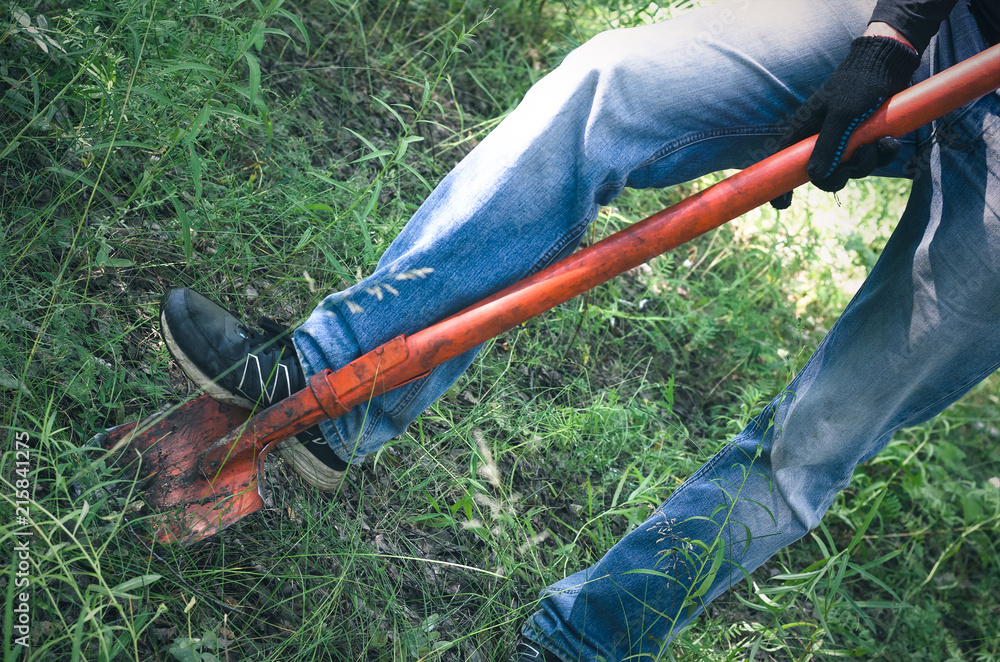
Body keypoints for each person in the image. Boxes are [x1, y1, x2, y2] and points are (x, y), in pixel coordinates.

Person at [158, 0, 1000, 659]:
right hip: (948, 21)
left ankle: (586, 643)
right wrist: (889, 38)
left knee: (828, 428)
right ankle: (327, 380)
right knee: (612, 85)